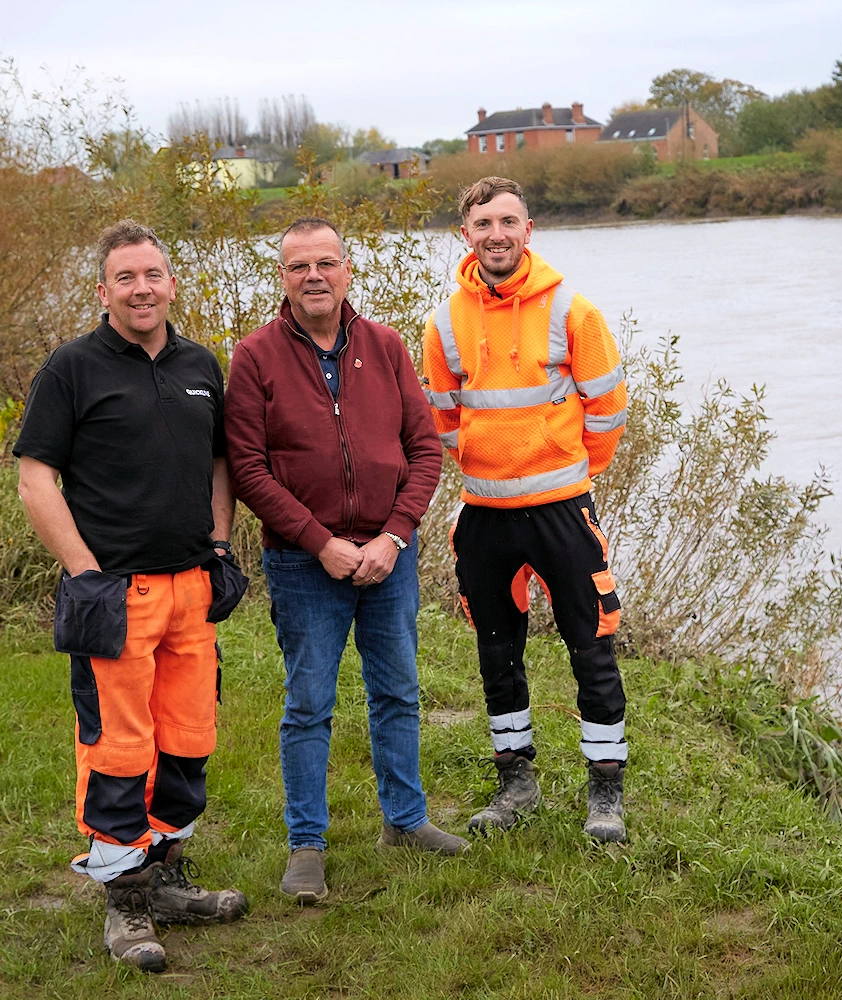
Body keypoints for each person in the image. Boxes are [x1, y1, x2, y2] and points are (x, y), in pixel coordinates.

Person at [14, 220, 248, 973]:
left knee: (187, 738)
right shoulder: (71, 369)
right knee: (119, 751)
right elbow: (35, 479)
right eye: (126, 277)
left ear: (171, 282)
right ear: (104, 290)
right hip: (115, 593)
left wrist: (218, 544)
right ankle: (125, 904)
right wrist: (85, 570)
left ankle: (167, 876)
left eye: (153, 274)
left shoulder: (200, 364)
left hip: (191, 590)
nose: (142, 288)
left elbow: (220, 464)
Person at [225, 216, 468, 905]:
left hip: (390, 557)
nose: (314, 277)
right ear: (283, 277)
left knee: (398, 691)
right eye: (299, 266)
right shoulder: (255, 357)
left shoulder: (387, 347)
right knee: (309, 704)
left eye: (325, 263)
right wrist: (318, 541)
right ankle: (307, 845)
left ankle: (406, 820)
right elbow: (246, 467)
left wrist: (393, 536)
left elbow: (425, 451)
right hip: (306, 565)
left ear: (347, 270)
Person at [422, 177, 629, 843]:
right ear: (467, 236)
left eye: (508, 221)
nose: (497, 234)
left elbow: (608, 411)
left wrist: (566, 469)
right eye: (483, 224)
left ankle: (605, 793)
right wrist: (490, 465)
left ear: (529, 229)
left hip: (563, 512)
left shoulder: (575, 310)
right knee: (495, 652)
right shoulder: (445, 321)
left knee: (591, 648)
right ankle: (516, 782)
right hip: (484, 517)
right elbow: (444, 421)